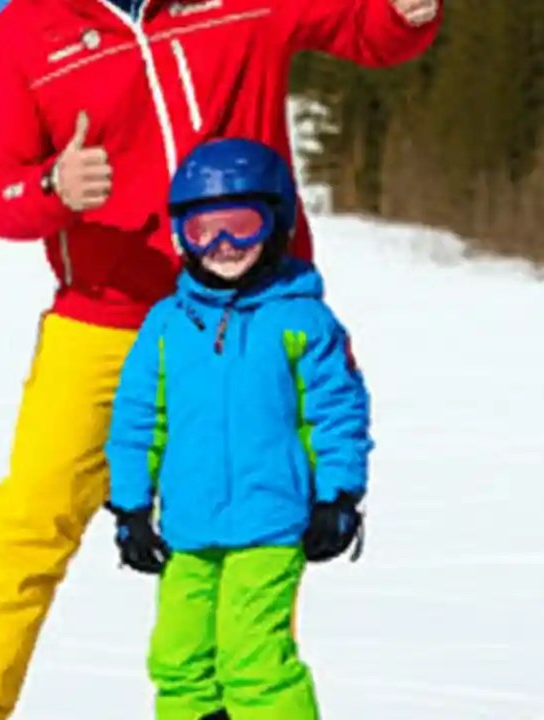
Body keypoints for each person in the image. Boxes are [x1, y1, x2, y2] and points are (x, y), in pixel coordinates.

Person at [0, 1, 439, 718]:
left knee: (257, 532)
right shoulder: (26, 30)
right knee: (29, 523)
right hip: (105, 319)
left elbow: (362, 26)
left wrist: (404, 13)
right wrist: (50, 189)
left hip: (253, 316)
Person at [104, 137, 371, 720]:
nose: (224, 247)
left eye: (241, 226)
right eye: (205, 230)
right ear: (182, 235)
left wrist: (339, 495)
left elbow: (337, 412)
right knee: (178, 660)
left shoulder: (302, 318)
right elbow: (137, 419)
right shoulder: (167, 324)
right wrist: (130, 507)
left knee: (253, 660)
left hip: (271, 524)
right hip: (186, 530)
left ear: (275, 224)